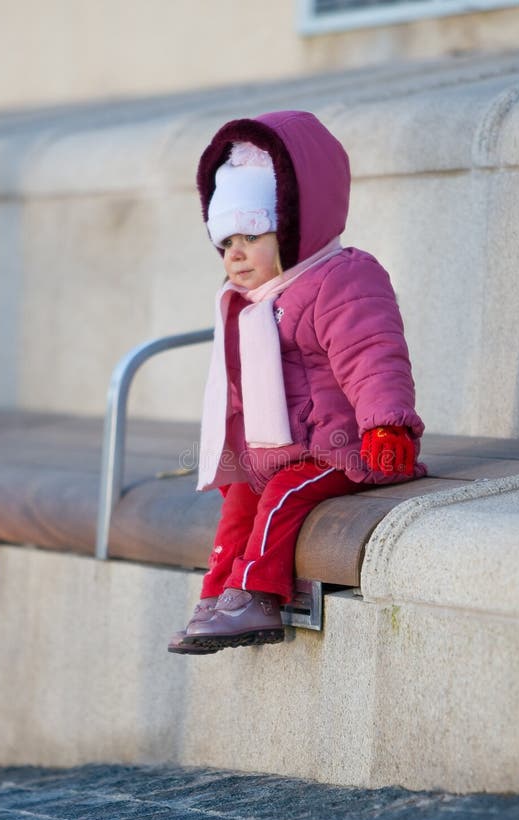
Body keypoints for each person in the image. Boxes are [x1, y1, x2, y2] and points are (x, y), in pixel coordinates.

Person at [168, 110, 426, 656]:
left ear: (293, 226)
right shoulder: (249, 301)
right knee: (239, 494)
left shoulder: (341, 278)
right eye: (226, 239)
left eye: (252, 235)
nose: (235, 254)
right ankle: (217, 596)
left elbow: (372, 353)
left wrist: (387, 426)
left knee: (284, 495)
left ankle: (256, 593)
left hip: (345, 449)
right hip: (279, 450)